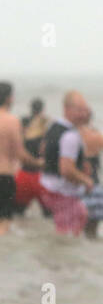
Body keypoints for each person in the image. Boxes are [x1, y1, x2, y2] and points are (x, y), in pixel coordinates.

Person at [37, 92, 95, 236]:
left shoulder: (53, 126)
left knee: (74, 221)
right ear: (67, 109)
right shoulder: (70, 135)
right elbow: (66, 170)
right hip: (61, 191)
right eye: (79, 110)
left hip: (47, 185)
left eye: (85, 110)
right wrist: (86, 181)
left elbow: (42, 150)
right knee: (68, 234)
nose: (83, 114)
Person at [0, 83, 42, 233]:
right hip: (4, 176)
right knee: (4, 222)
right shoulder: (12, 121)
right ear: (8, 98)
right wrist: (38, 162)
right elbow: (20, 153)